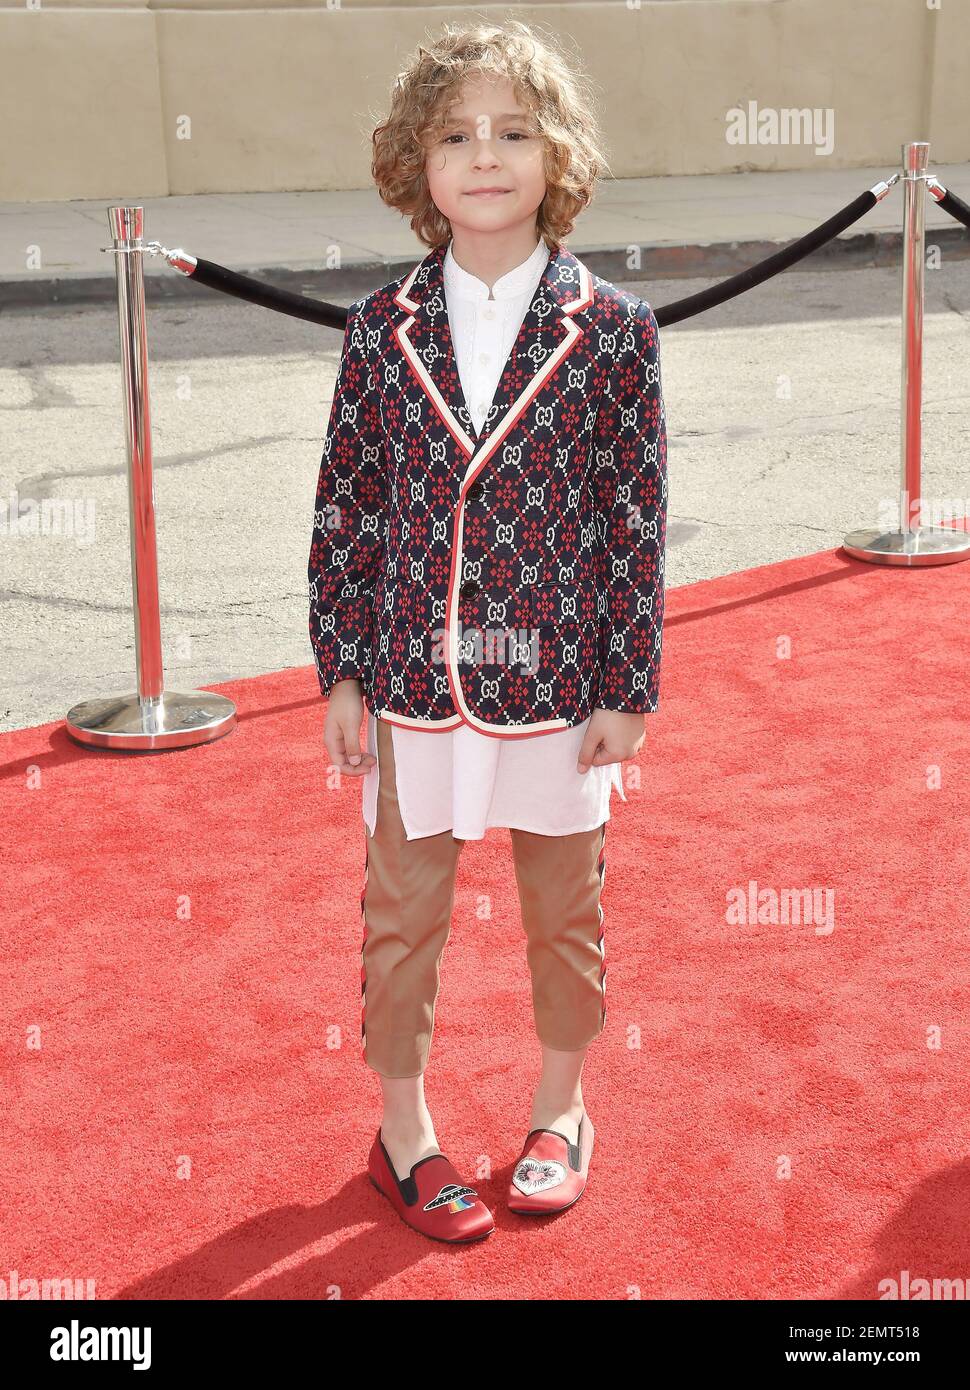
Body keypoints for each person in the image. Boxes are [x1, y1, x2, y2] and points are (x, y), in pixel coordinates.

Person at [308, 19, 667, 1243]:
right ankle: (403, 1131)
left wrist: (628, 683)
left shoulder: (612, 328)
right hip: (409, 674)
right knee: (401, 913)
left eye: (513, 132)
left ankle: (560, 1109)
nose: (484, 157)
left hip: (560, 678)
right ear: (416, 163)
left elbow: (632, 516)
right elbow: (348, 504)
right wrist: (341, 667)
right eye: (455, 136)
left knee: (564, 912)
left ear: (556, 154)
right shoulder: (380, 327)